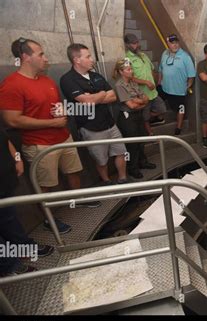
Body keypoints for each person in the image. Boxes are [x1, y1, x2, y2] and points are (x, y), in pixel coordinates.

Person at [0, 38, 94, 235]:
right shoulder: (12, 85)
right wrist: (51, 123)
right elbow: (12, 121)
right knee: (45, 185)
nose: (46, 58)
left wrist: (62, 111)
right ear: (25, 57)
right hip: (39, 145)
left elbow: (57, 106)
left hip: (63, 138)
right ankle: (49, 219)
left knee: (73, 172)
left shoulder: (47, 81)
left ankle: (77, 201)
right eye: (41, 54)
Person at [60, 43, 128, 185]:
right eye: (88, 56)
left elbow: (113, 96)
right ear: (77, 60)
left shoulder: (96, 76)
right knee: (101, 159)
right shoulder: (67, 79)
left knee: (120, 152)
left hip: (110, 123)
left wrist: (94, 97)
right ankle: (106, 181)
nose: (92, 60)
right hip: (91, 127)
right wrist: (102, 94)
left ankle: (123, 178)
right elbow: (87, 102)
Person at [0, 129, 54, 276]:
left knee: (9, 217)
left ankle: (24, 248)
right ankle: (8, 265)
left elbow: (4, 137)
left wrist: (17, 158)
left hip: (4, 177)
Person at [113, 59, 156, 179]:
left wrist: (139, 101)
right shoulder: (119, 85)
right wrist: (140, 101)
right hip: (128, 118)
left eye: (131, 69)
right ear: (121, 72)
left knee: (141, 140)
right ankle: (133, 168)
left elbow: (145, 98)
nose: (131, 71)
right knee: (132, 145)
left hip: (138, 115)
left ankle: (143, 162)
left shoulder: (133, 82)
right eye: (128, 69)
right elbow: (131, 105)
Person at [124, 33, 166, 136]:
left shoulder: (143, 55)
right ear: (127, 45)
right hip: (142, 94)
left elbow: (151, 69)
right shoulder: (126, 59)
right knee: (145, 117)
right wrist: (146, 82)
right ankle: (150, 133)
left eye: (137, 42)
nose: (136, 45)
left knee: (162, 109)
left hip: (153, 92)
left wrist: (155, 81)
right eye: (133, 43)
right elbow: (129, 77)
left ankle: (152, 119)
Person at [158, 34, 196, 135]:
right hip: (164, 87)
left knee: (180, 108)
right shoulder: (164, 53)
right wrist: (159, 81)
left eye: (176, 43)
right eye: (172, 43)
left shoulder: (185, 57)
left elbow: (191, 75)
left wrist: (188, 86)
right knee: (157, 102)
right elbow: (160, 69)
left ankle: (178, 127)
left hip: (178, 91)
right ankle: (160, 117)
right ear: (168, 44)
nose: (175, 45)